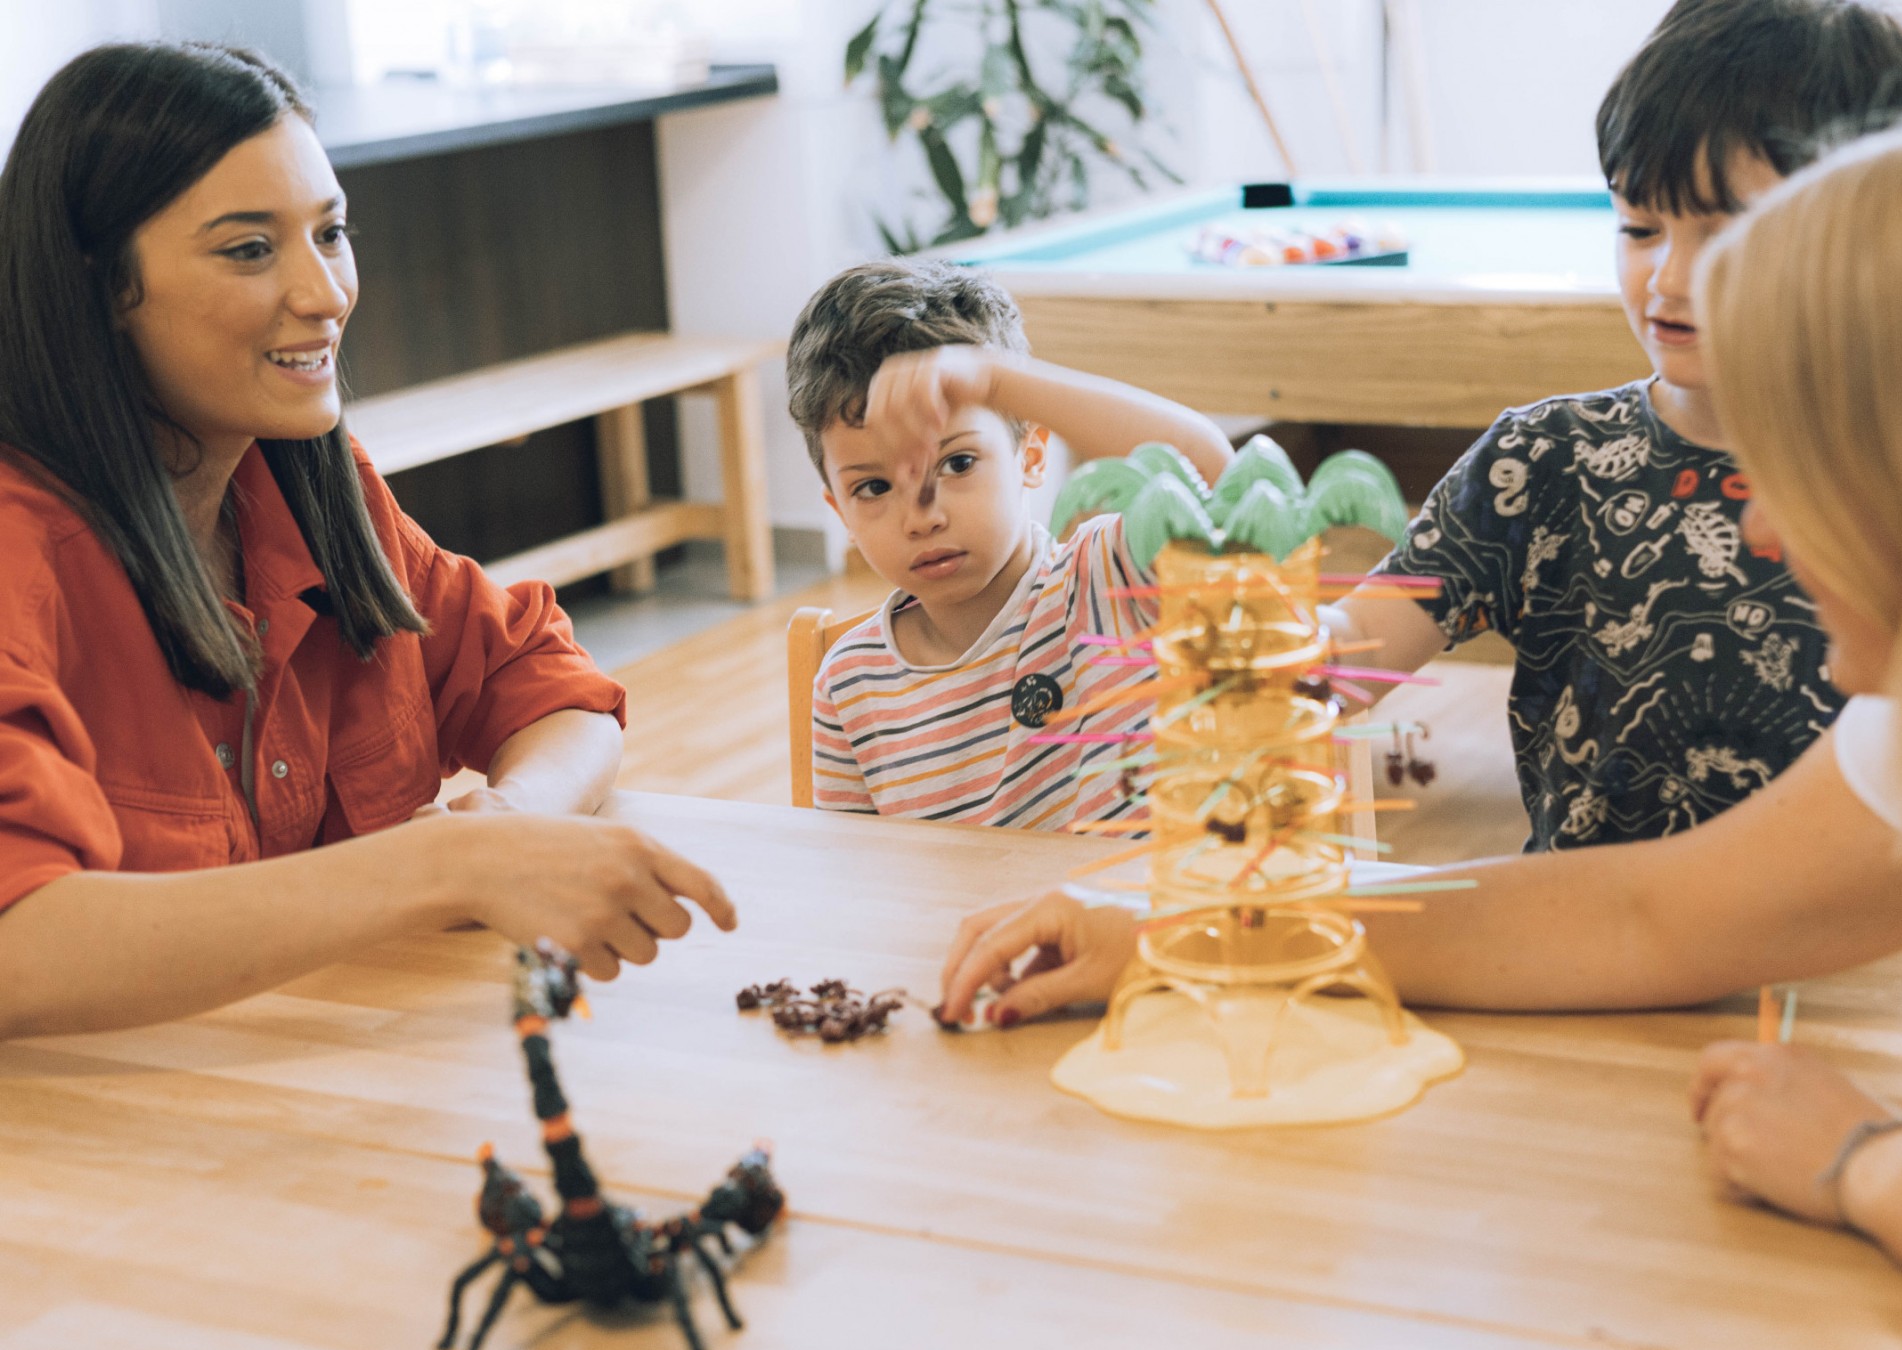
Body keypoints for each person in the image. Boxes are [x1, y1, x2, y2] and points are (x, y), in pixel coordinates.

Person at [939, 120, 1902, 1350]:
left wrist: (1867, 1160)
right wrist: (1199, 929)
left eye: (1805, 462)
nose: (1756, 531)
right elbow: (1647, 910)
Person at [0, 43, 734, 1038]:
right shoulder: (20, 556)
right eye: (250, 248)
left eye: (332, 232)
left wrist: (510, 827)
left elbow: (553, 687)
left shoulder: (307, 490)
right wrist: (442, 866)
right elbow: (19, 943)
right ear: (103, 291)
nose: (325, 292)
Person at [1323, 0, 1902, 849]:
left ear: (1871, 242)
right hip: (1581, 948)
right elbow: (1359, 640)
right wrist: (1258, 650)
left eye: (1726, 238)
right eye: (1638, 227)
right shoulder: (1542, 461)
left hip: (1839, 957)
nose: (1668, 279)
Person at [787, 259, 1232, 828]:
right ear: (839, 512)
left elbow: (1211, 475)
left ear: (1032, 455)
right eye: (873, 487)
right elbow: (854, 880)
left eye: (958, 462)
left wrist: (999, 383)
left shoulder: (1105, 578)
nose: (921, 518)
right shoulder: (849, 684)